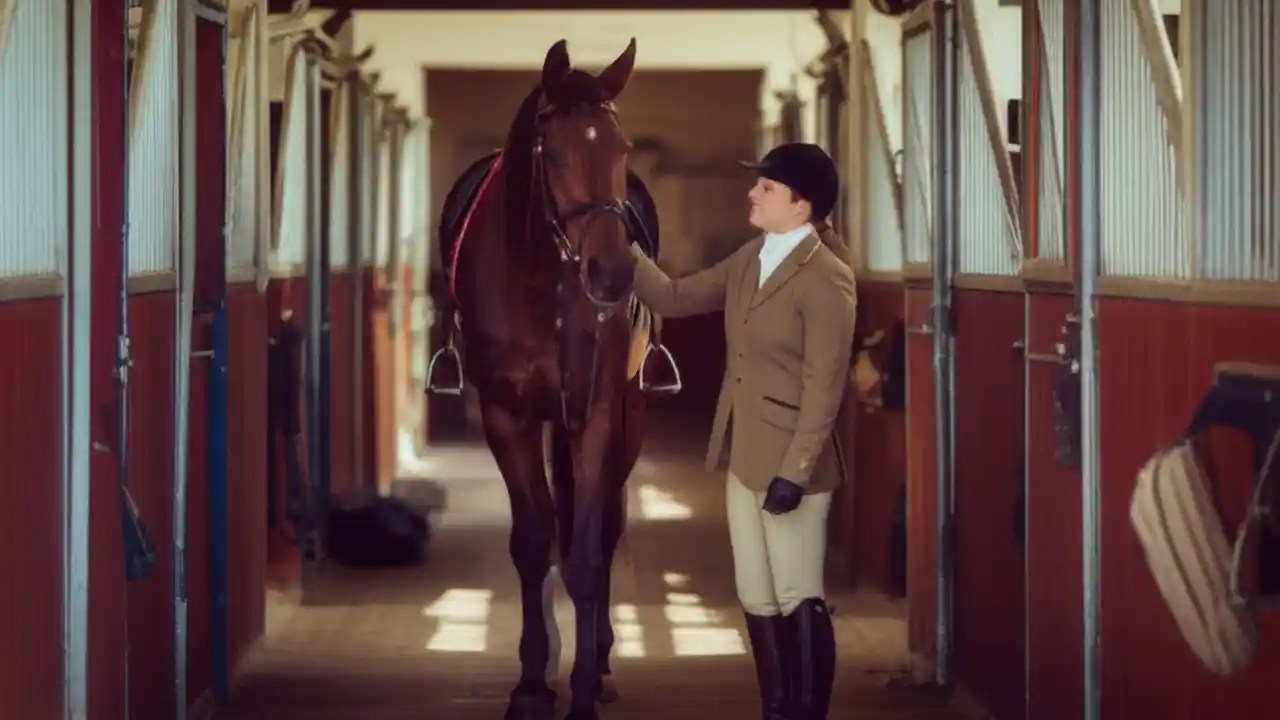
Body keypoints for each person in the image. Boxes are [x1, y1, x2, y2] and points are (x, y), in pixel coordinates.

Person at [630, 142, 856, 719]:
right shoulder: (751, 257)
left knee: (796, 594)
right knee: (756, 596)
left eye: (767, 188)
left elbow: (824, 387)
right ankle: (776, 711)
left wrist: (795, 472)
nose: (752, 193)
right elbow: (675, 298)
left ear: (801, 206)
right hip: (743, 453)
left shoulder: (827, 278)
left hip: (793, 467)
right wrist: (624, 250)